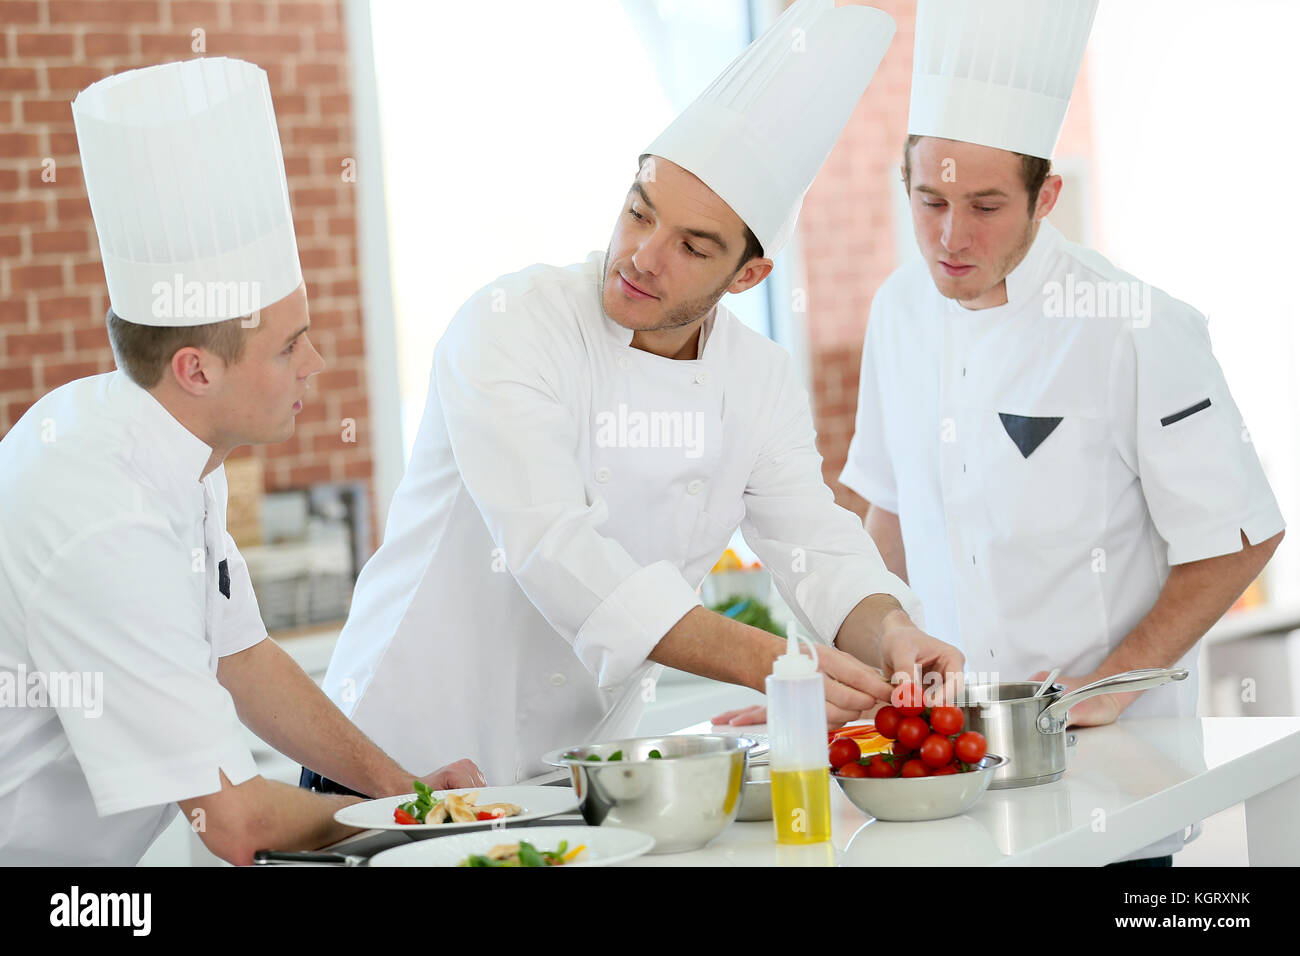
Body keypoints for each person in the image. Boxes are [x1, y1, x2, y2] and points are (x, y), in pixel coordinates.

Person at [313, 0, 964, 792]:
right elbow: (555, 551)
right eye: (639, 212)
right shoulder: (514, 324)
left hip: (564, 781)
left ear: (749, 276)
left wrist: (891, 628)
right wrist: (775, 664)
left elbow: (817, 546)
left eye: (693, 246)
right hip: (390, 768)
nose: (643, 257)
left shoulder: (755, 381)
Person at [0, 58, 482, 867]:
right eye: (291, 346)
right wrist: (408, 825)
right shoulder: (100, 510)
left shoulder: (177, 451)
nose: (316, 363)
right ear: (197, 370)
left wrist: (404, 791)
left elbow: (243, 657)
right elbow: (234, 825)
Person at [837, 0, 1283, 863]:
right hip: (941, 771)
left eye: (987, 205)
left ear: (1048, 196)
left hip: (1111, 774)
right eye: (929, 201)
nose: (951, 238)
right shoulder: (896, 311)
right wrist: (861, 659)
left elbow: (1239, 535)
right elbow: (887, 514)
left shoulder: (1135, 327)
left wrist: (1113, 685)